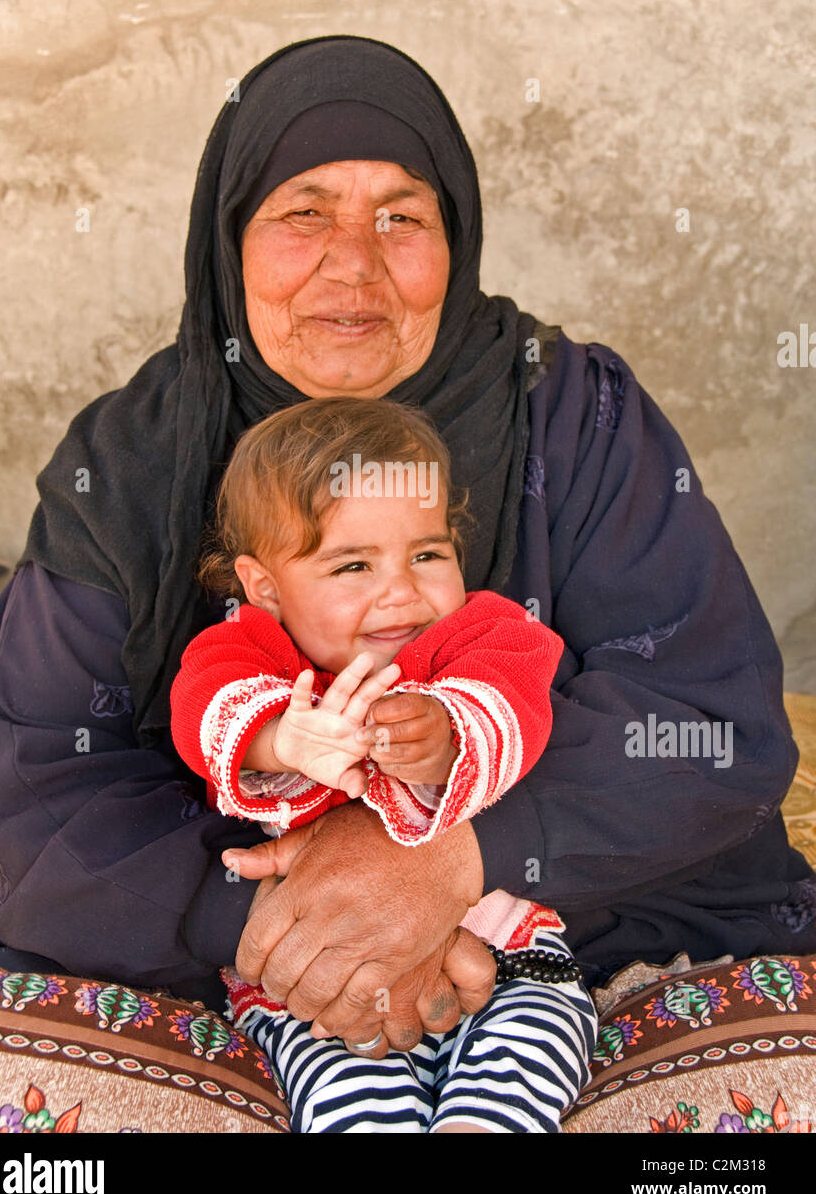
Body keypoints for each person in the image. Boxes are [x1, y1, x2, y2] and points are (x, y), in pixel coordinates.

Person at [0, 35, 813, 1069]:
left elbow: (704, 720)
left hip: (599, 944)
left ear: (457, 238)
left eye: (401, 216)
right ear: (230, 244)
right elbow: (21, 788)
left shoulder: (570, 411)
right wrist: (288, 922)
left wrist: (455, 863)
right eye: (302, 212)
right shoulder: (134, 456)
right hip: (228, 966)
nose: (351, 263)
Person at [169, 395, 598, 1132]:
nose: (402, 593)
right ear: (265, 585)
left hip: (497, 943)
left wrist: (451, 735)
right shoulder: (252, 650)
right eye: (353, 565)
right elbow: (206, 710)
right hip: (324, 969)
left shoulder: (483, 632)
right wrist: (280, 738)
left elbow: (514, 701)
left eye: (427, 554)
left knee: (540, 1029)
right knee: (338, 1077)